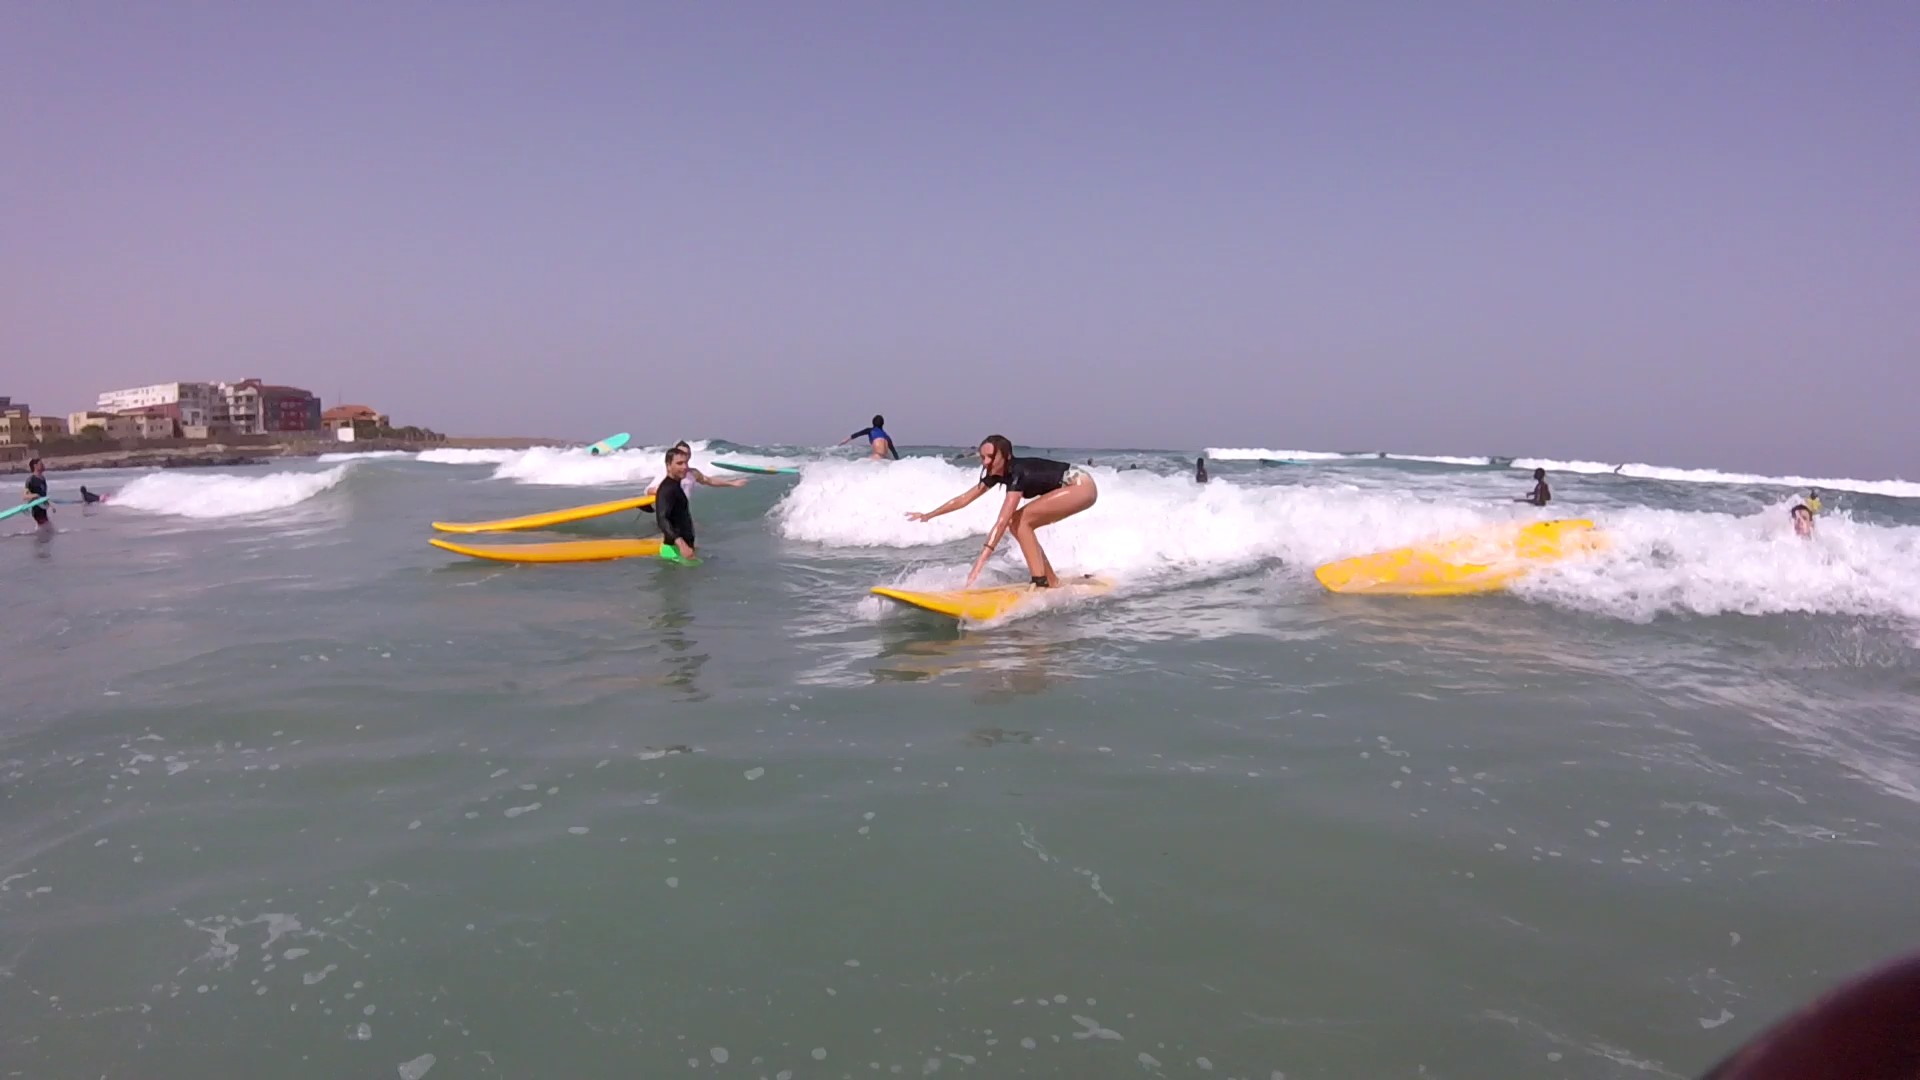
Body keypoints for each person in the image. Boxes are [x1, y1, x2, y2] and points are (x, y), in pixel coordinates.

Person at [907, 435, 1097, 588]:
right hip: (1072, 484)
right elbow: (964, 499)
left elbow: (1001, 521)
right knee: (1019, 523)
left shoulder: (1017, 473)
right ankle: (1049, 580)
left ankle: (1040, 581)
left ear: (1006, 457)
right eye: (983, 457)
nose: (986, 463)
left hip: (1080, 485)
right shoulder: (997, 473)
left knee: (1017, 521)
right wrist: (929, 515)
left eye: (991, 457)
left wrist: (979, 565)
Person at [646, 441, 746, 501]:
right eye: (680, 453)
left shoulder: (693, 473)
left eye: (686, 453)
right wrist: (658, 491)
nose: (684, 455)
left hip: (683, 514)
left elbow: (709, 481)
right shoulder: (666, 474)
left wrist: (732, 483)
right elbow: (647, 490)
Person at [653, 446, 698, 562]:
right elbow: (662, 519)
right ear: (668, 466)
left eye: (686, 463)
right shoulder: (667, 489)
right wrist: (682, 544)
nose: (684, 467)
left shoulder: (675, 485)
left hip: (679, 550)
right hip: (674, 551)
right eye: (679, 463)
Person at [23, 458, 50, 527]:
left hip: (43, 509)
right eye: (41, 464)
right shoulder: (30, 480)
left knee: (46, 530)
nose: (43, 465)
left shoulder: (42, 478)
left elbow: (43, 494)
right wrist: (35, 495)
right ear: (35, 466)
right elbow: (24, 496)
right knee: (47, 529)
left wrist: (49, 504)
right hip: (37, 510)